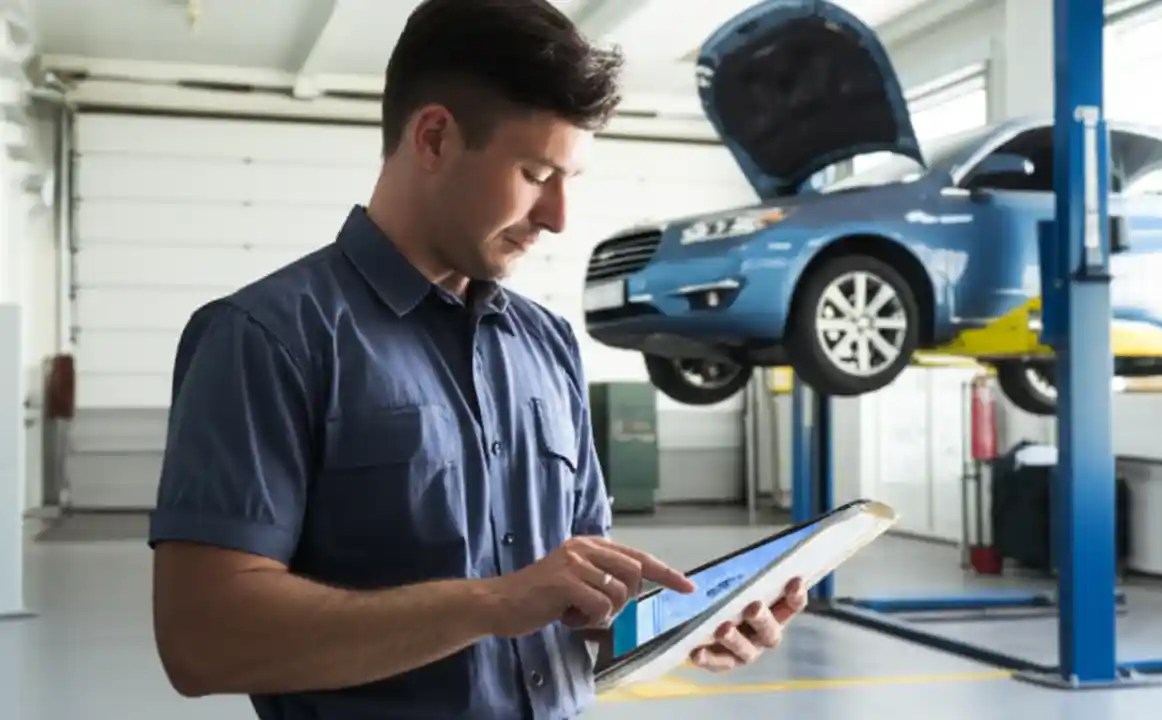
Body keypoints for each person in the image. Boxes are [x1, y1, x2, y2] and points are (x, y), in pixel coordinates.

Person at [147, 0, 808, 717]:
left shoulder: (548, 348)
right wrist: (491, 603)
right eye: (534, 173)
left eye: (568, 182)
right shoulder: (267, 338)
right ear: (433, 138)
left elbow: (565, 609)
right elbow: (202, 640)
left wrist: (677, 626)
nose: (558, 217)